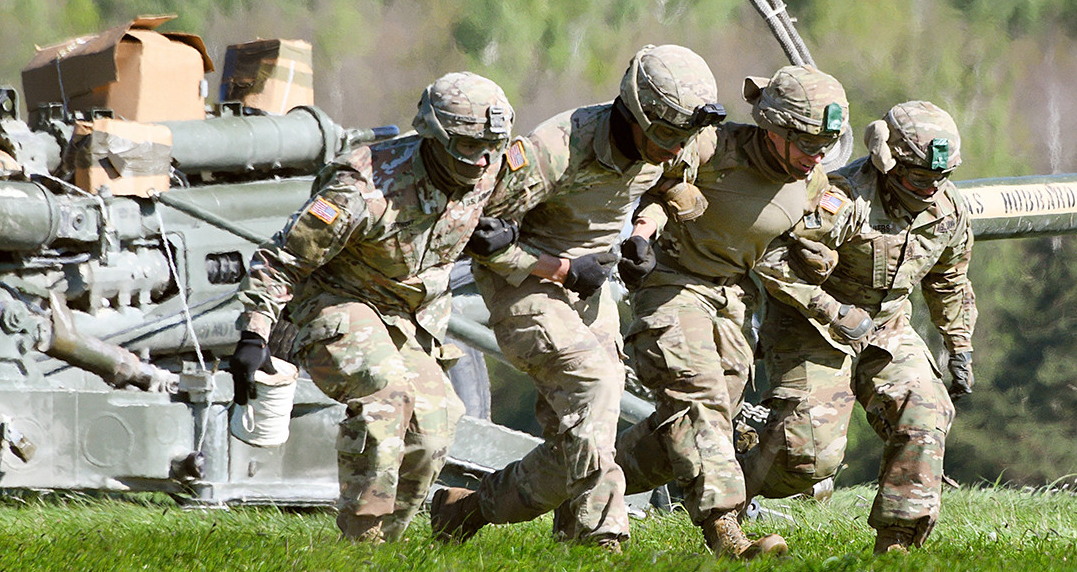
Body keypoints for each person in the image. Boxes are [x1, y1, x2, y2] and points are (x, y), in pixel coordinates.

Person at [430, 45, 727, 553]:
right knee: (596, 386)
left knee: (586, 435)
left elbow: (673, 187)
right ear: (635, 113)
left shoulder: (677, 141)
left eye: (684, 138)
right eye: (664, 137)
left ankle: (469, 510)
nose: (675, 148)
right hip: (523, 282)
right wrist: (562, 269)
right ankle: (601, 540)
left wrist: (642, 234)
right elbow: (477, 233)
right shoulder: (556, 148)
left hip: (590, 283)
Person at [229, 71, 515, 542]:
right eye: (469, 146)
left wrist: (511, 237)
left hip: (409, 317)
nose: (482, 158)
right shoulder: (362, 187)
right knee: (386, 398)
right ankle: (360, 546)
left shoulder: (492, 169)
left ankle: (386, 544)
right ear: (435, 136)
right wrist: (254, 333)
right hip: (337, 301)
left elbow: (540, 193)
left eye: (491, 145)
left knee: (436, 424)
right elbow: (283, 259)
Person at [612, 64, 852, 560]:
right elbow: (654, 178)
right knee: (699, 402)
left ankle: (578, 482)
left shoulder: (811, 180)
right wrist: (641, 233)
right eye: (807, 143)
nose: (816, 155)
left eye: (825, 145)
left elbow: (791, 235)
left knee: (698, 426)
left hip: (733, 302)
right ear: (774, 128)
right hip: (673, 287)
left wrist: (815, 255)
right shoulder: (712, 146)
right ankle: (727, 535)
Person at [739, 100, 976, 554]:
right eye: (919, 178)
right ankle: (723, 483)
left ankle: (898, 542)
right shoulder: (843, 198)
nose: (931, 189)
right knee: (808, 458)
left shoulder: (947, 209)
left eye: (941, 177)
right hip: (812, 326)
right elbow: (771, 257)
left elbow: (949, 279)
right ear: (889, 164)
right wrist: (832, 310)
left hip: (886, 327)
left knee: (925, 410)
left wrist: (959, 345)